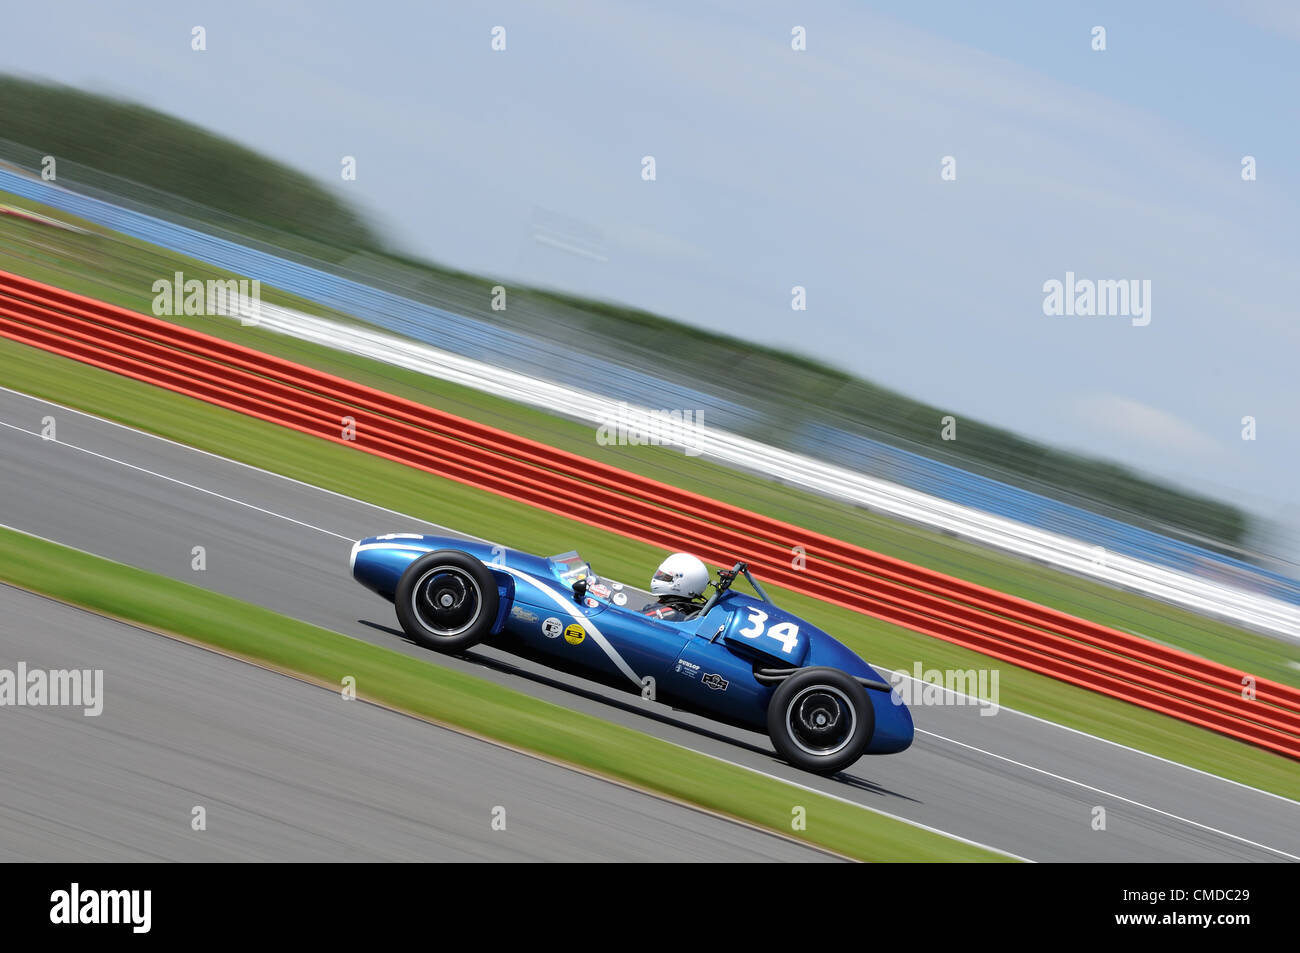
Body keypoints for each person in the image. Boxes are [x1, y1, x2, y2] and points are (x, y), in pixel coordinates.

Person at [640, 552, 710, 621]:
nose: (659, 578)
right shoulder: (672, 605)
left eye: (666, 577)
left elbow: (637, 619)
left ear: (682, 583)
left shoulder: (669, 611)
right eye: (660, 574)